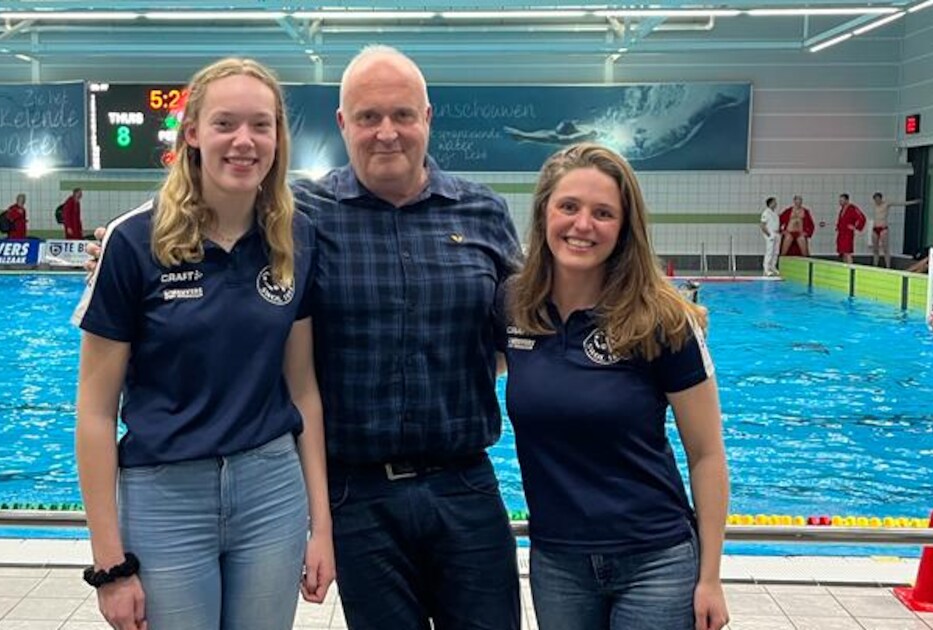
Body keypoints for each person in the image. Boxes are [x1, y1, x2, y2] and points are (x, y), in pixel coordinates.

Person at [86, 45, 524, 629]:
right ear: (344, 124)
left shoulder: (478, 213)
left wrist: (636, 301)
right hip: (352, 494)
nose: (386, 132)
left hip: (460, 482)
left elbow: (531, 323)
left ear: (428, 117)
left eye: (402, 115)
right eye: (368, 117)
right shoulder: (304, 217)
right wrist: (109, 565)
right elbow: (97, 406)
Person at [72, 57, 334, 630]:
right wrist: (109, 565)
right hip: (165, 495)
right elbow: (94, 414)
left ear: (277, 137)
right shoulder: (133, 242)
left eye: (260, 125)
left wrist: (322, 527)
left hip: (271, 491)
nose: (244, 141)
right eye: (225, 124)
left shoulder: (296, 237)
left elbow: (303, 391)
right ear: (192, 133)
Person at [499, 143, 730, 630]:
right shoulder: (513, 307)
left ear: (625, 228)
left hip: (655, 560)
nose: (583, 225)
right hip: (558, 562)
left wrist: (710, 577)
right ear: (544, 213)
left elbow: (707, 453)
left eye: (603, 213)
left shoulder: (662, 319)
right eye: (569, 207)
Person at [869, 193, 921, 268]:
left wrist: (914, 202)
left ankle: (888, 267)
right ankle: (875, 265)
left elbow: (901, 203)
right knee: (875, 249)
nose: (877, 201)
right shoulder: (874, 206)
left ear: (881, 198)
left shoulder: (886, 204)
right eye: (875, 200)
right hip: (875, 228)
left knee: (885, 249)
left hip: (883, 228)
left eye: (878, 199)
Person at [834, 193, 867, 264]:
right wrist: (838, 227)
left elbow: (862, 218)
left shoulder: (852, 208)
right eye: (840, 201)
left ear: (847, 200)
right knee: (842, 252)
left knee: (847, 252)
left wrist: (856, 227)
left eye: (842, 201)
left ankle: (850, 268)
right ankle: (845, 268)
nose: (840, 202)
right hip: (841, 233)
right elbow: (842, 220)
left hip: (847, 234)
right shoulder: (842, 209)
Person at [759, 197, 780, 276]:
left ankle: (773, 267)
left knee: (776, 252)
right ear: (770, 203)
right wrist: (768, 235)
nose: (776, 204)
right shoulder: (766, 213)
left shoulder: (775, 213)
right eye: (774, 202)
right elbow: (762, 225)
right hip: (770, 234)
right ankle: (766, 269)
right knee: (769, 252)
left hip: (776, 233)